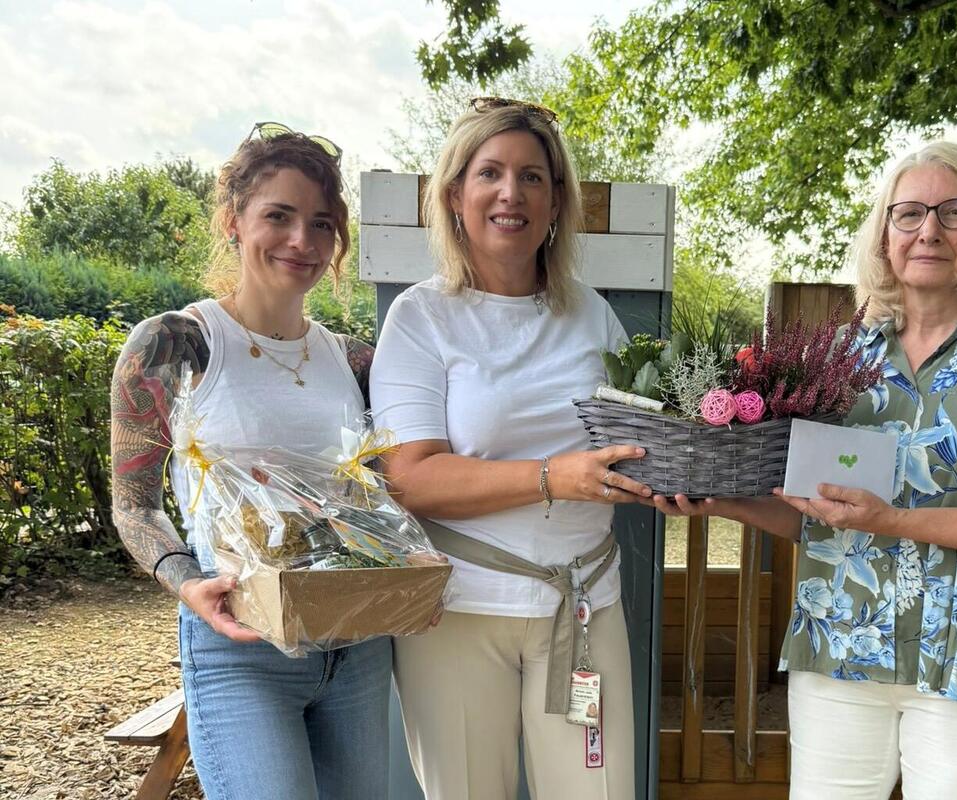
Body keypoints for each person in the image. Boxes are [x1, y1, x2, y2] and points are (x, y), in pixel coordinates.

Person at [655, 141, 957, 800]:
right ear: (884, 234)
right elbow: (816, 517)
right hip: (842, 652)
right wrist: (719, 500)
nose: (929, 231)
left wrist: (894, 520)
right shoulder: (836, 359)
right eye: (908, 213)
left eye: (953, 212)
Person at [371, 97, 651, 800]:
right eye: (489, 172)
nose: (511, 192)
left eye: (533, 176)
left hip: (584, 607)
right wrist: (555, 476)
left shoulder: (591, 313)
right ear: (455, 194)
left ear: (556, 200)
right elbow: (410, 478)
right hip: (458, 612)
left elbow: (636, 435)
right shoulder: (420, 317)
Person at [110, 123, 392, 799]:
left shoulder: (356, 360)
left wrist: (409, 574)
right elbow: (135, 503)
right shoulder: (175, 344)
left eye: (322, 223)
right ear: (234, 221)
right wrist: (185, 582)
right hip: (240, 644)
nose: (303, 241)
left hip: (357, 639)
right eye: (280, 216)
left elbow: (384, 498)